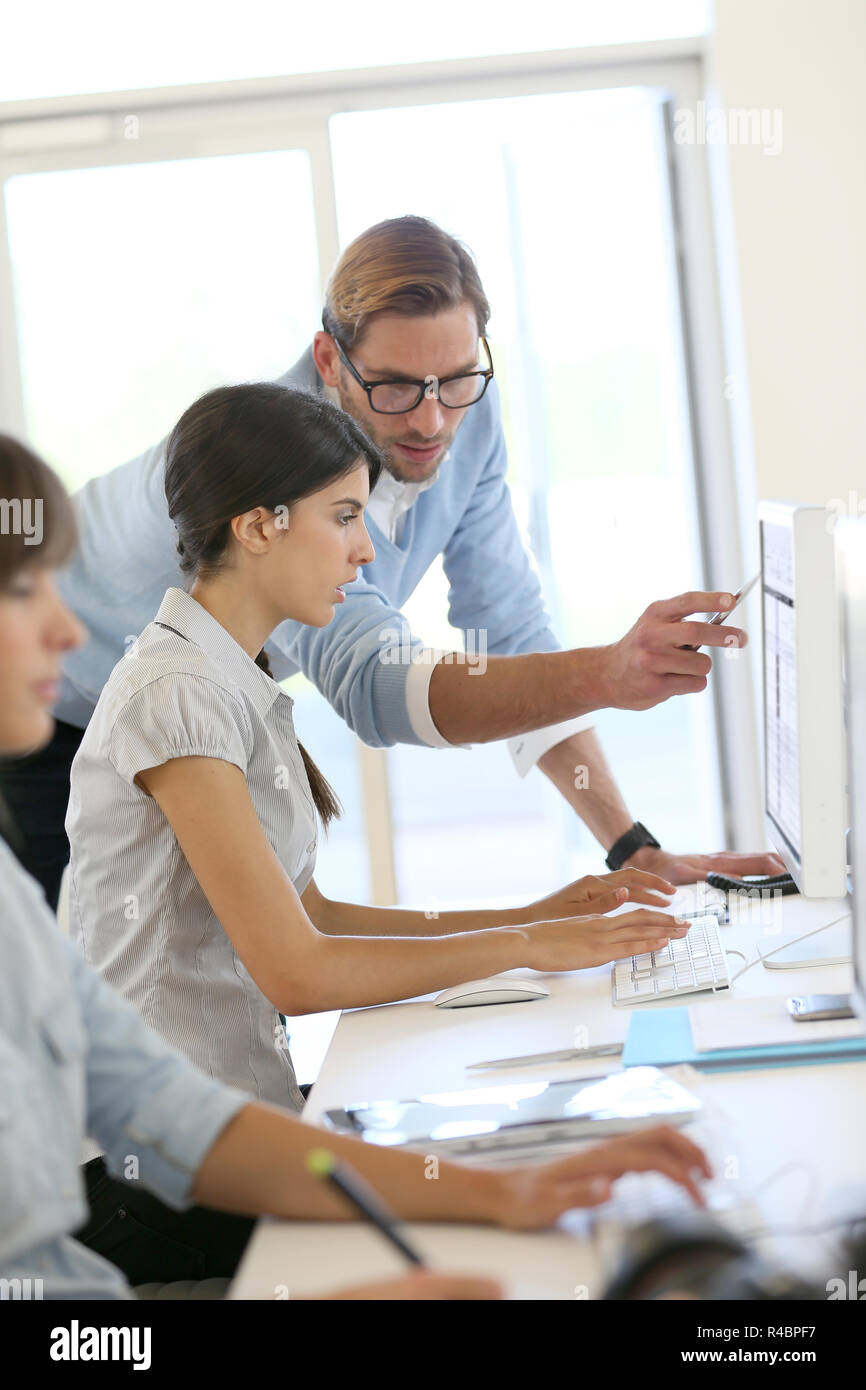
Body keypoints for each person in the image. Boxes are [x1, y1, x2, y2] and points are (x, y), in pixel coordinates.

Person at [0, 430, 713, 1301]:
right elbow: (299, 970)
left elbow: (309, 917)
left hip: (196, 1131)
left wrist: (535, 918)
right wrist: (526, 941)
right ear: (258, 528)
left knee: (478, 1178)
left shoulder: (229, 679)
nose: (368, 548)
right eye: (344, 516)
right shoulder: (173, 691)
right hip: (135, 1190)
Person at [0, 215, 782, 912]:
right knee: (100, 1017)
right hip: (53, 716)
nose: (434, 419)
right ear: (329, 361)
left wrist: (629, 848)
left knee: (228, 977)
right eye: (399, 387)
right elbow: (376, 687)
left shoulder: (462, 415)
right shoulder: (275, 463)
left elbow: (508, 625)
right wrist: (609, 673)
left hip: (194, 710)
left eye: (457, 379)